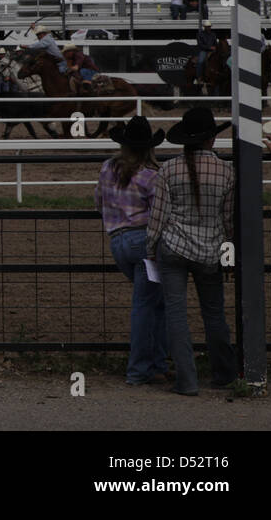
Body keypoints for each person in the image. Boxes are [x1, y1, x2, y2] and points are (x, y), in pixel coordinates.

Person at [147, 107, 237, 395]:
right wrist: (227, 250)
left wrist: (150, 248)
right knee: (214, 314)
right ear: (211, 140)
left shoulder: (169, 169)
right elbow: (228, 220)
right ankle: (224, 373)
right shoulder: (226, 171)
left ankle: (186, 380)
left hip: (174, 247)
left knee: (176, 313)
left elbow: (158, 216)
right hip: (210, 249)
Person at [95, 116, 168, 386]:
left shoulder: (107, 168)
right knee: (147, 305)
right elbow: (160, 214)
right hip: (145, 241)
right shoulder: (152, 175)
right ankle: (140, 370)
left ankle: (157, 364)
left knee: (151, 304)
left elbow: (98, 202)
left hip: (118, 241)